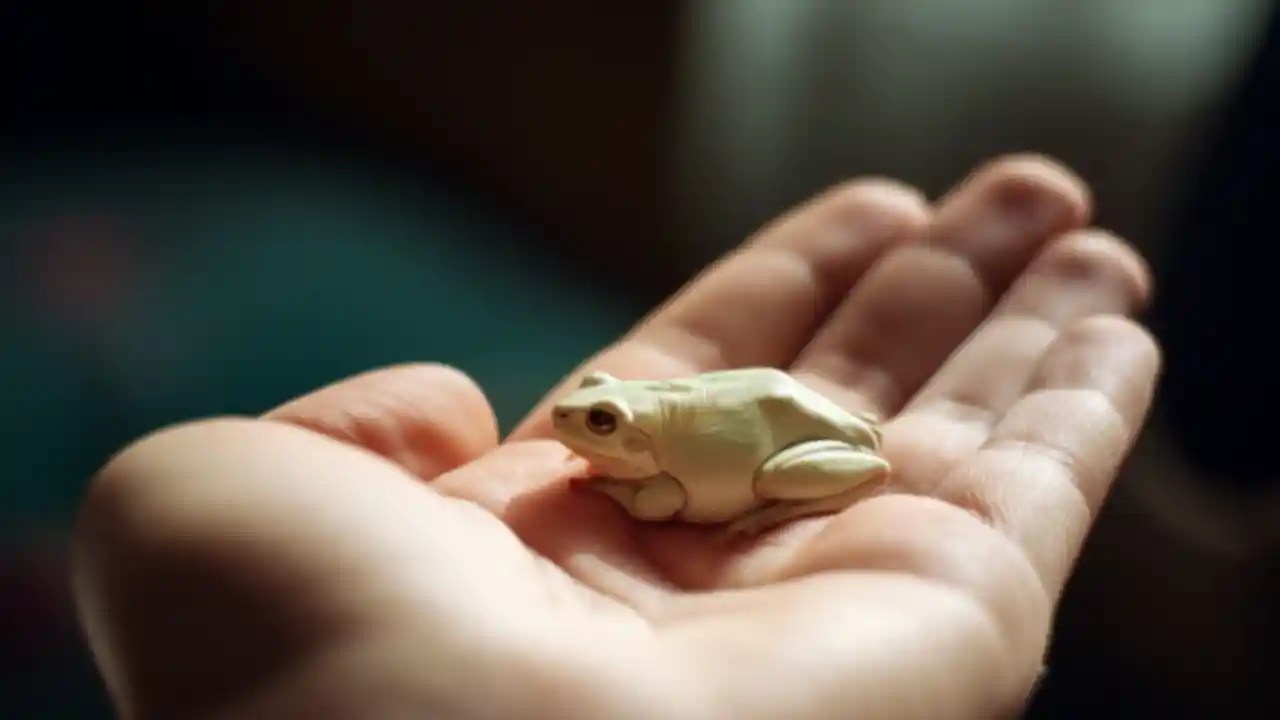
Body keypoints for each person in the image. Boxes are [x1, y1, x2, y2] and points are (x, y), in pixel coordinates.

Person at [70, 155, 1159, 719]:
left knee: (793, 462)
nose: (581, 438)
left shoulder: (648, 471)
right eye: (589, 415)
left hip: (789, 448)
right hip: (760, 414)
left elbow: (677, 493)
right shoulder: (626, 444)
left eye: (599, 424)